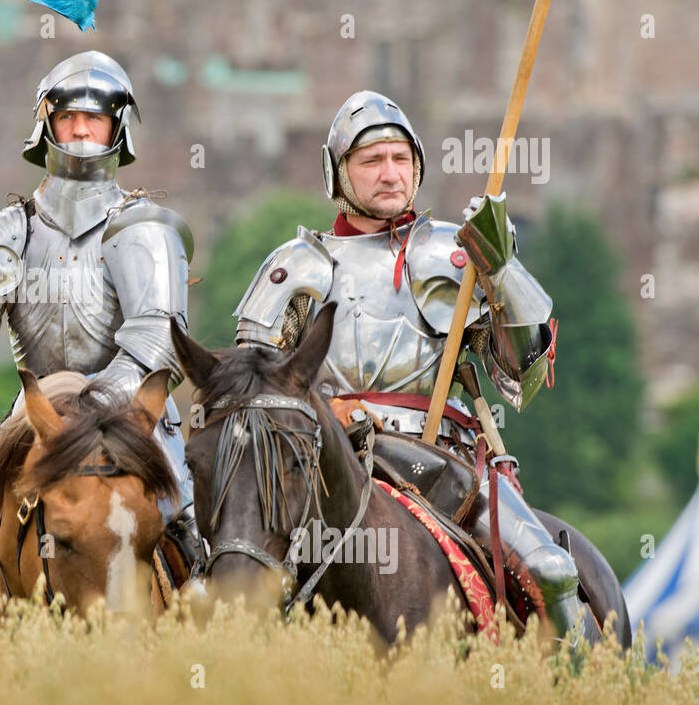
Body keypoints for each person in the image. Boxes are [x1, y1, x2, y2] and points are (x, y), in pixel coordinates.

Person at [233, 90, 584, 641]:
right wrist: (329, 412)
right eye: (371, 161)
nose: (389, 174)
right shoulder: (295, 265)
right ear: (340, 174)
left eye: (400, 159)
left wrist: (502, 271)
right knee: (227, 576)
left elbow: (523, 376)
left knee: (550, 572)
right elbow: (253, 396)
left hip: (444, 465)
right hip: (324, 467)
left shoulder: (453, 255)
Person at [0, 51, 203, 600]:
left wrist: (84, 406)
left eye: (93, 117)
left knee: (207, 569)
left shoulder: (144, 228)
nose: (78, 129)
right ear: (45, 124)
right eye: (66, 116)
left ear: (116, 128)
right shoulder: (14, 229)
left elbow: (156, 346)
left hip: (135, 425)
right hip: (34, 421)